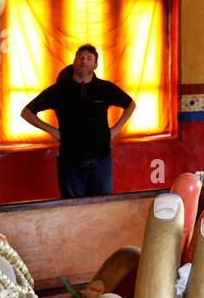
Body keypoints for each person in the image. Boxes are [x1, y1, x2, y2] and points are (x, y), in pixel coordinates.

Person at [22, 45, 136, 198]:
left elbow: (130, 104)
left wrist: (115, 130)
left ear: (95, 65)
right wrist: (52, 131)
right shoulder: (59, 90)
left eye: (89, 59)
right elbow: (27, 112)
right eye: (80, 57)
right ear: (74, 62)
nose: (84, 61)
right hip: (70, 159)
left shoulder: (105, 88)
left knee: (103, 207)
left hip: (101, 158)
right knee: (71, 209)